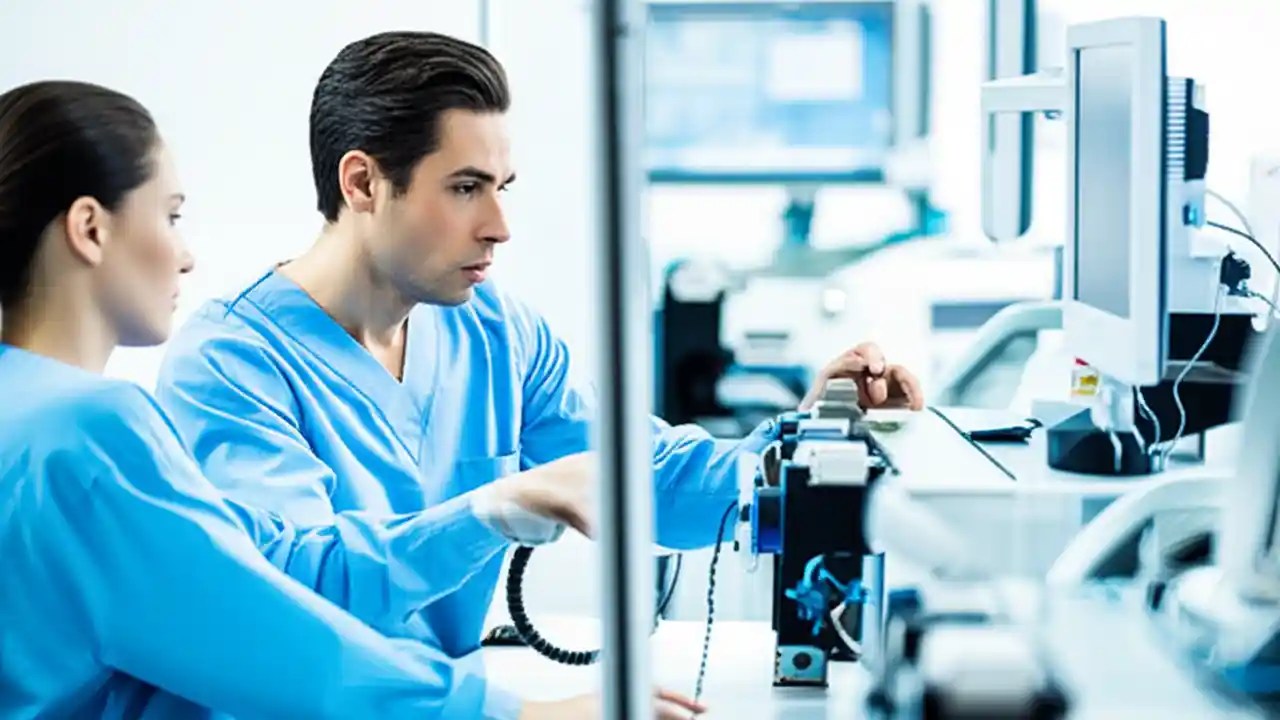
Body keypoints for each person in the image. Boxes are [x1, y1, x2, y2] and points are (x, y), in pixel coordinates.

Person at [156, 26, 923, 701]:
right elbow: (300, 598)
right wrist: (490, 511)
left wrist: (805, 449)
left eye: (501, 189)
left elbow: (645, 478)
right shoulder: (229, 365)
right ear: (362, 182)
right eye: (465, 189)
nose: (499, 227)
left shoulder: (494, 329)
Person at [0, 79, 702, 720]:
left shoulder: (25, 411)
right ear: (91, 228)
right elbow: (276, 642)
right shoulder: (95, 428)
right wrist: (529, 714)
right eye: (172, 215)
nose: (185, 254)